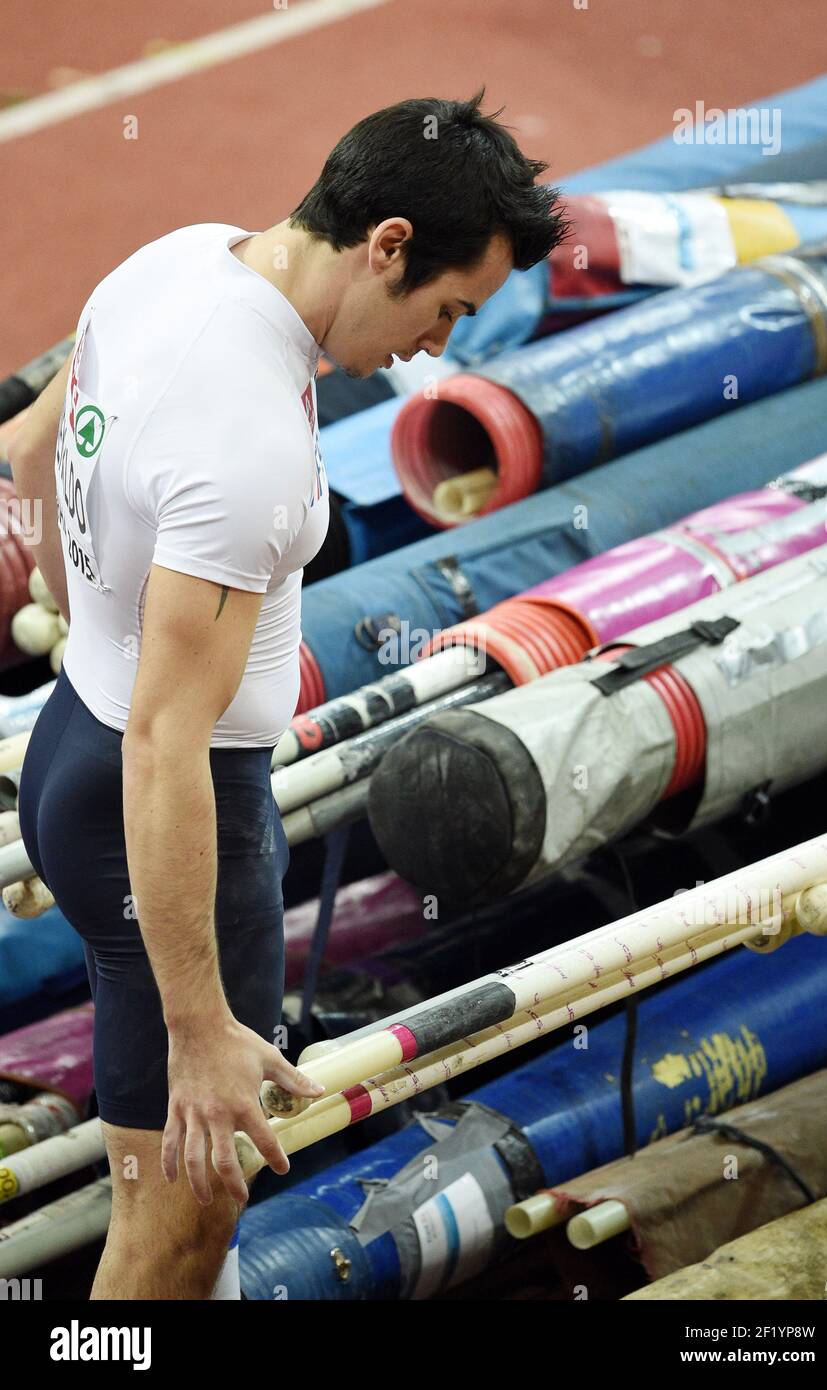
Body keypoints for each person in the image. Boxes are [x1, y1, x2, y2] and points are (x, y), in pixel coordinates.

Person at [8, 88, 570, 1300]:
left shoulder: (179, 259)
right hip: (172, 823)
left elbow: (32, 445)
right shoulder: (247, 438)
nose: (441, 347)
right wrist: (203, 1030)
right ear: (387, 247)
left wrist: (85, 598)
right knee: (176, 1232)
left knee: (164, 1208)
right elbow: (167, 741)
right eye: (447, 309)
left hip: (71, 744)